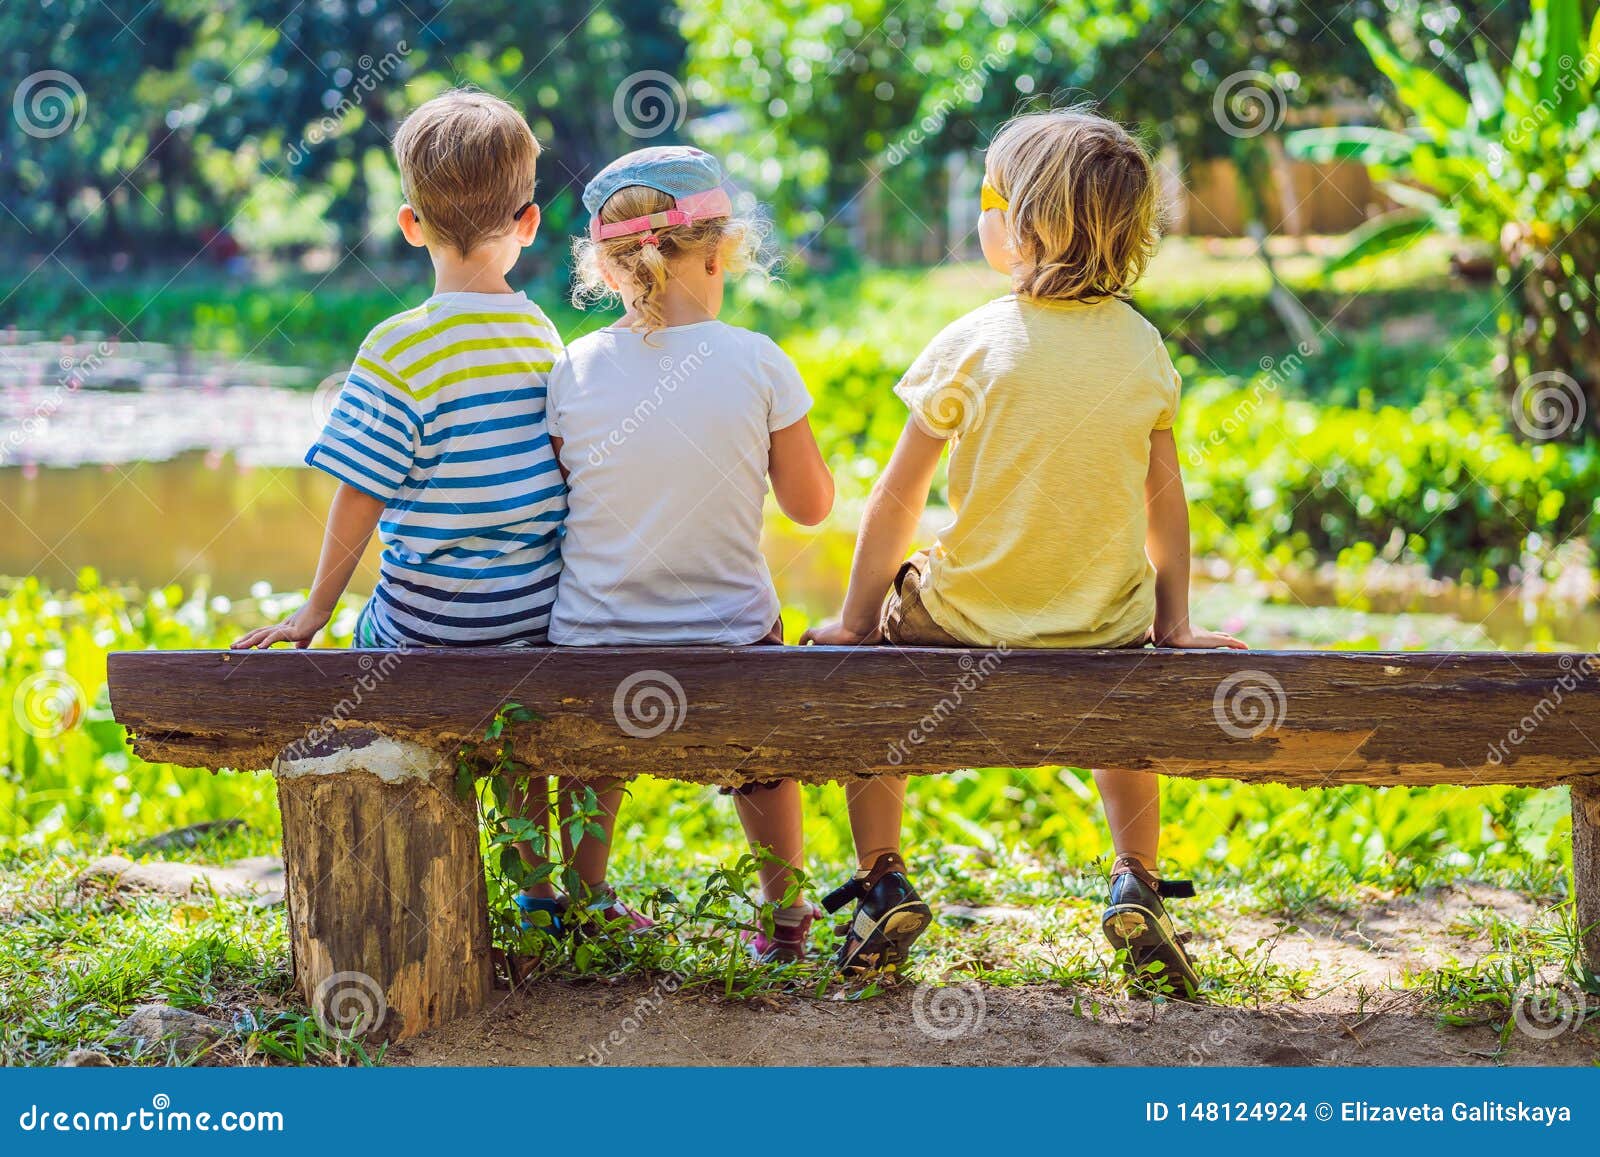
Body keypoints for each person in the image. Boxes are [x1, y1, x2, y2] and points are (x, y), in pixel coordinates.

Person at [802, 108, 1245, 991]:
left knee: (873, 689)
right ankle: (1137, 878)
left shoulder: (974, 340)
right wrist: (1176, 624)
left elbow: (898, 498)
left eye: (990, 195)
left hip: (959, 622)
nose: (980, 210)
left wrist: (858, 618)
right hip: (1103, 629)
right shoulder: (1143, 346)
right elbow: (1168, 502)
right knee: (1127, 720)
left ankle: (884, 876)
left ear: (1025, 227)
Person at [545, 145, 835, 961]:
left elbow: (573, 491)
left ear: (609, 269)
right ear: (719, 252)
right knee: (765, 756)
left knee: (589, 754)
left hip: (593, 647)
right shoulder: (760, 361)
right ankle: (784, 914)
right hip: (731, 644)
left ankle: (590, 895)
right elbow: (812, 508)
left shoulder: (573, 366)